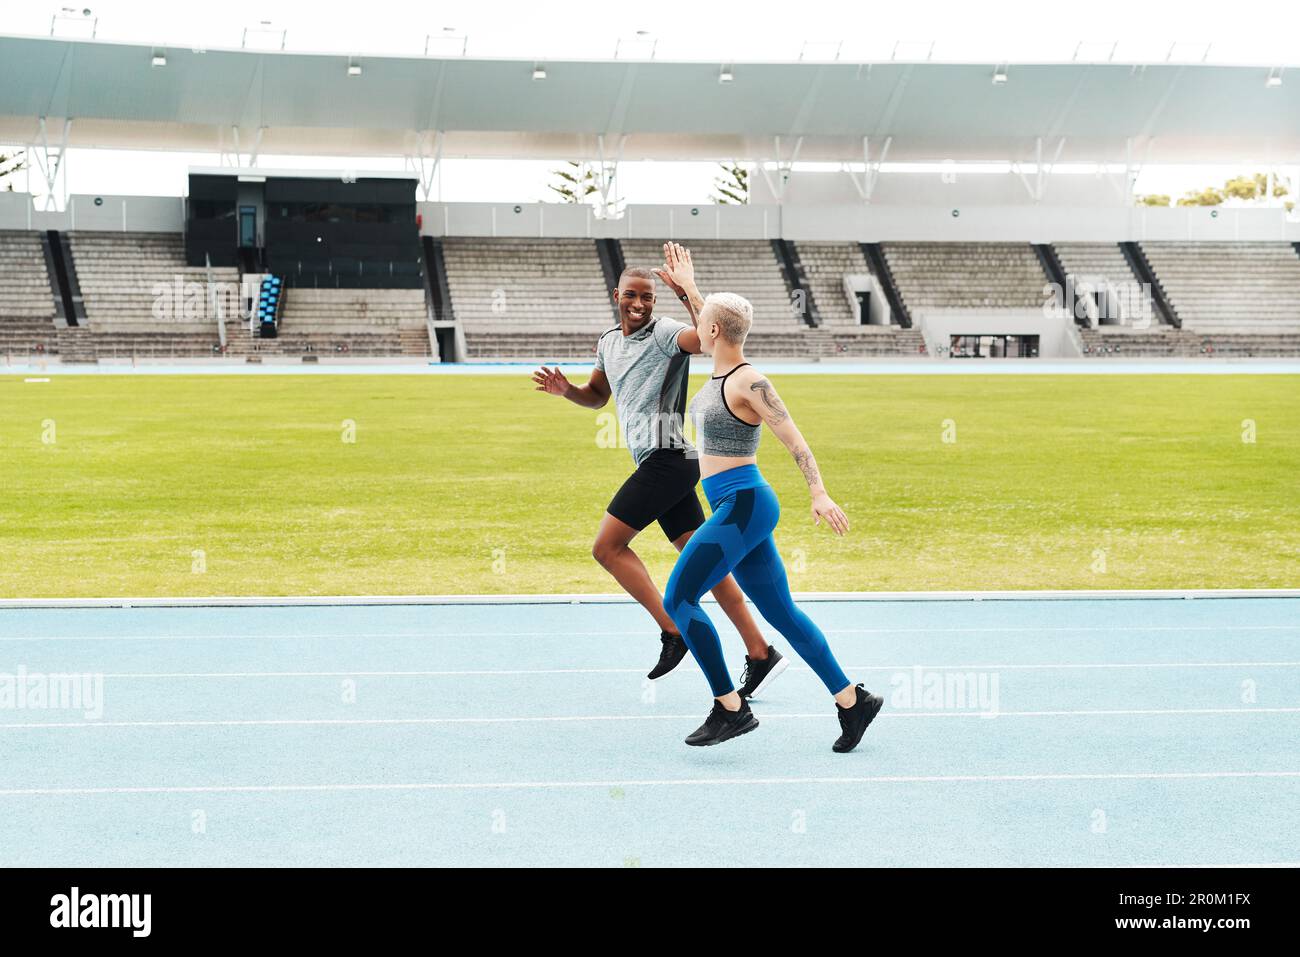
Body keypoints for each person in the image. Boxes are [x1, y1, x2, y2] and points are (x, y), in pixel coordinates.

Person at [532, 244, 788, 694]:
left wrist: (688, 291)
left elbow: (709, 337)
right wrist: (566, 390)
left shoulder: (667, 333)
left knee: (607, 548)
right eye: (632, 295)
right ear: (617, 295)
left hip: (670, 458)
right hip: (662, 462)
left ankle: (673, 630)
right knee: (707, 563)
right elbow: (597, 396)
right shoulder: (608, 342)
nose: (639, 303)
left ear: (655, 301)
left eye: (647, 297)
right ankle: (760, 652)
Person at [663, 291, 884, 750]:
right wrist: (689, 288)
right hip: (740, 506)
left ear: (714, 331)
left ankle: (730, 708)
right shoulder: (721, 367)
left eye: (701, 321)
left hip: (743, 505)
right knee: (781, 612)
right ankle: (852, 701)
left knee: (679, 598)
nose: (697, 327)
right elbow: (719, 322)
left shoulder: (750, 383)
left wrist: (818, 491)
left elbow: (794, 439)